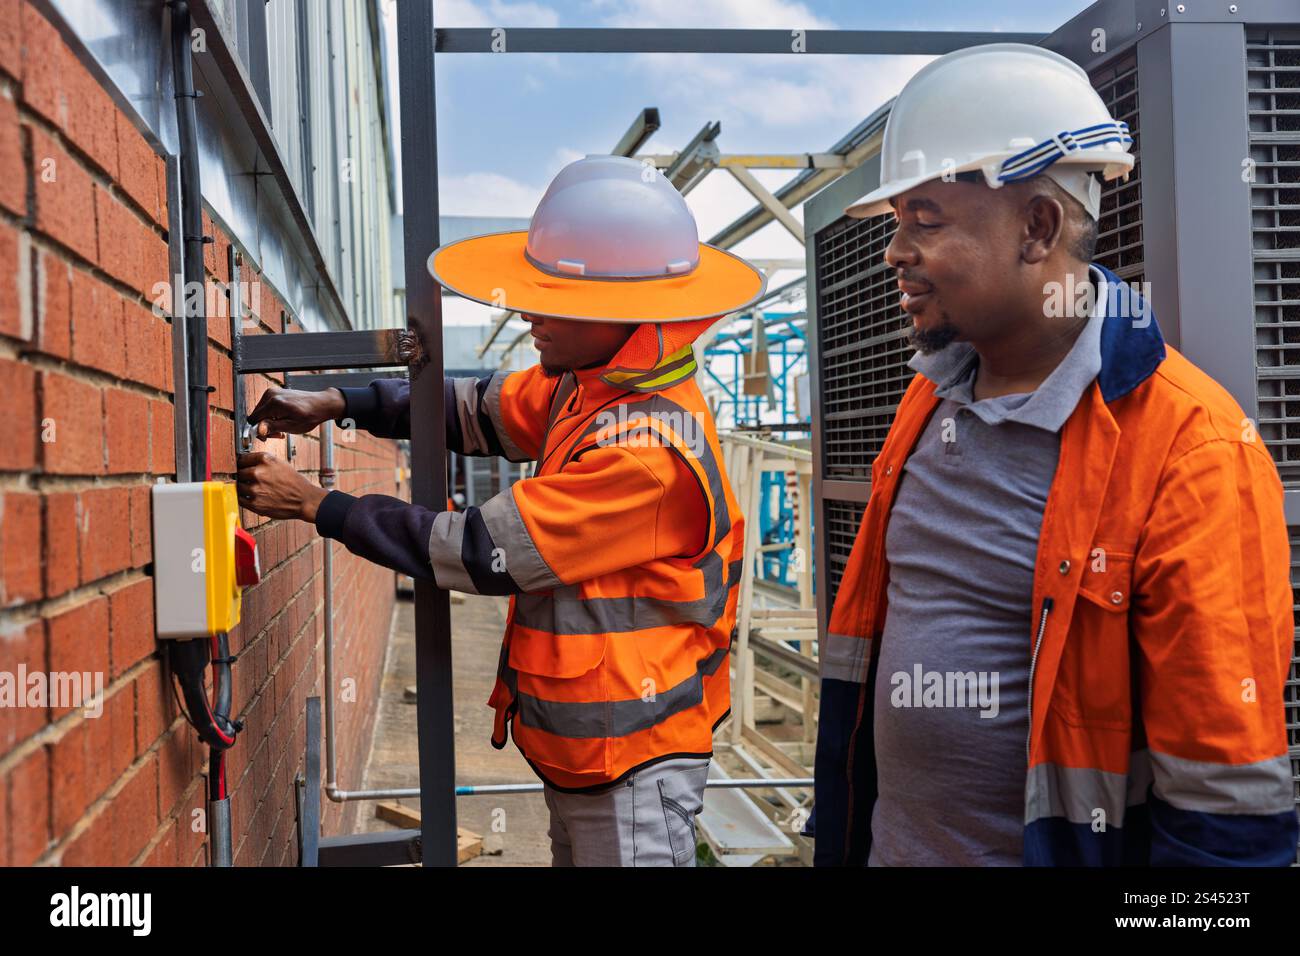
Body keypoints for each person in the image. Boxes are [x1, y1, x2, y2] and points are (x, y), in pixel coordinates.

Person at [813, 43, 1298, 866]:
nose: (895, 252)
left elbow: (1227, 807)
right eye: (896, 223)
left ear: (1037, 227)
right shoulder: (929, 397)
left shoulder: (1190, 447)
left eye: (924, 221)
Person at [235, 156, 765, 866]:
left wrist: (316, 504)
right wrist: (340, 401)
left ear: (617, 312)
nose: (526, 313)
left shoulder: (648, 451)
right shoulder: (590, 387)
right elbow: (473, 407)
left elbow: (480, 548)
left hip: (634, 763)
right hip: (592, 753)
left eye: (548, 297)